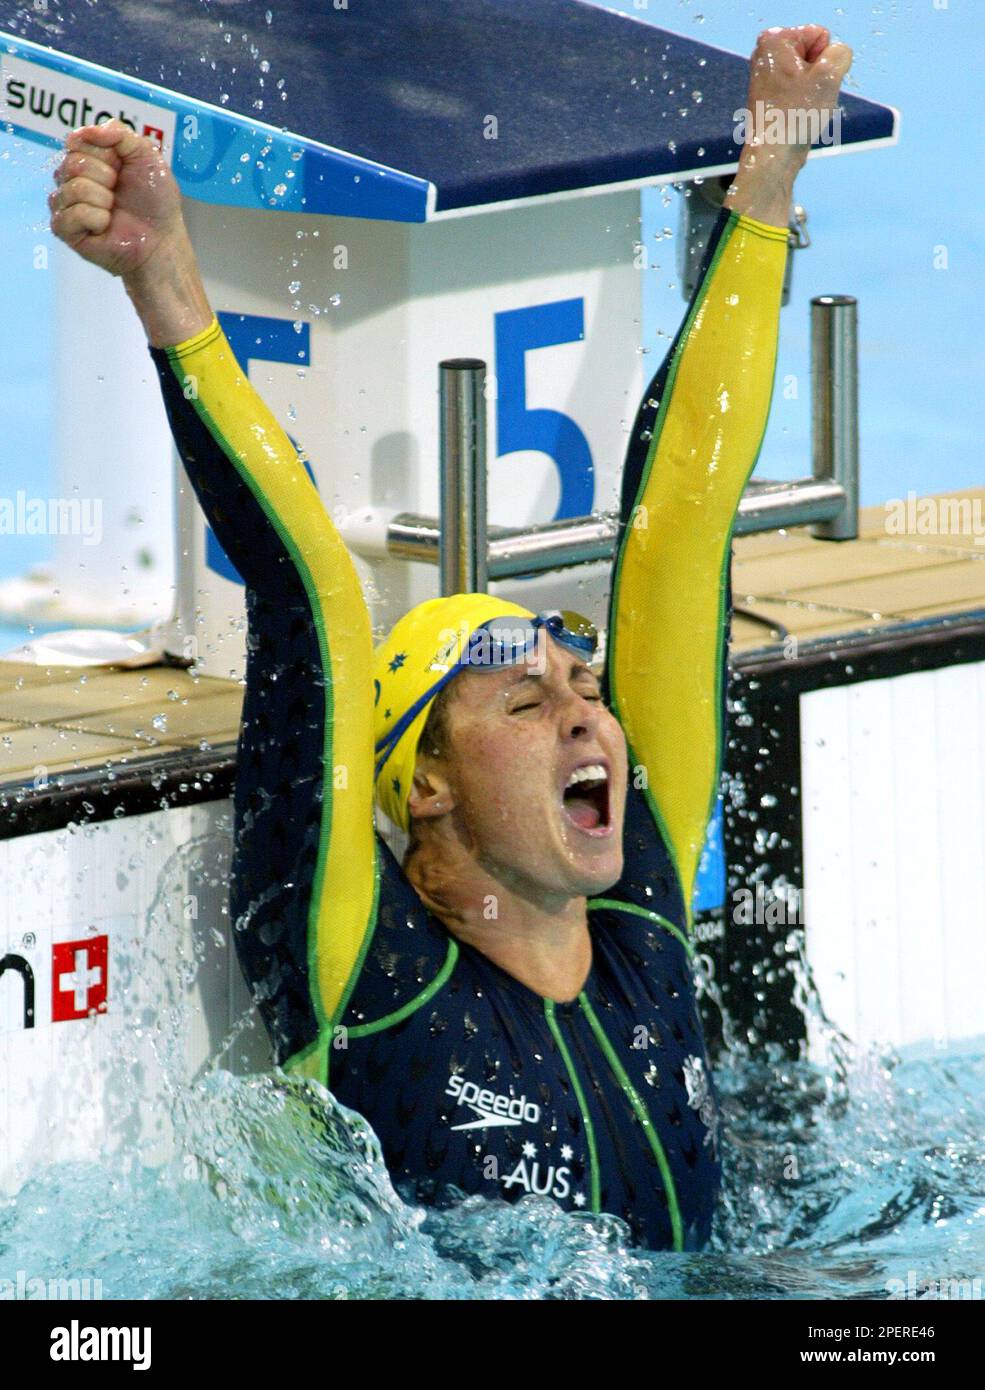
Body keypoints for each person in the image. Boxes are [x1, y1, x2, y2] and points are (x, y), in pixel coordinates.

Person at [50, 24, 851, 1251]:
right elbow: (311, 592)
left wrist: (769, 180)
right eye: (524, 706)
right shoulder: (367, 981)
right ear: (421, 781)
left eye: (581, 688)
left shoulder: (641, 911)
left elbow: (682, 528)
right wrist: (165, 282)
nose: (586, 714)